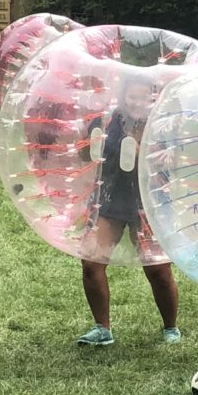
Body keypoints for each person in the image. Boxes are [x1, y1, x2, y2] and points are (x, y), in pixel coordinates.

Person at [75, 77, 183, 347]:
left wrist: (165, 158)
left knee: (157, 270)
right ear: (123, 98)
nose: (136, 102)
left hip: (146, 203)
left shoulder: (160, 126)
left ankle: (170, 327)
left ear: (152, 99)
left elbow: (175, 163)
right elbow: (84, 156)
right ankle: (103, 328)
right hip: (109, 201)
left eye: (142, 97)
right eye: (131, 97)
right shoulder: (107, 122)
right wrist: (88, 146)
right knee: (91, 263)